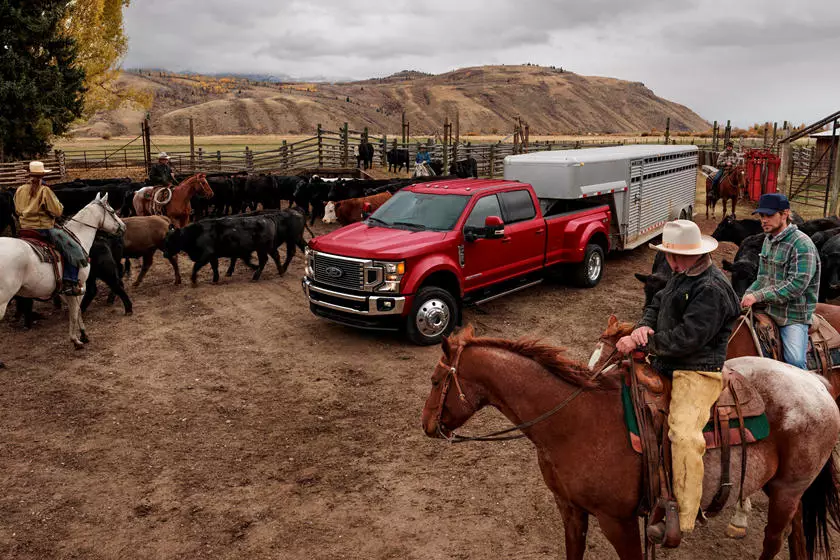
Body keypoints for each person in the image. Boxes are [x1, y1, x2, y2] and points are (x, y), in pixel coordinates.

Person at [616, 219, 740, 536]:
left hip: (696, 368)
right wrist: (643, 326)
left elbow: (689, 338)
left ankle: (683, 517)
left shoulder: (712, 288)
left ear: (696, 254)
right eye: (668, 255)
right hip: (667, 359)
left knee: (684, 436)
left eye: (676, 256)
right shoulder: (681, 272)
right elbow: (657, 302)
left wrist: (643, 342)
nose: (671, 262)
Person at [740, 193, 819, 370]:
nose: (764, 220)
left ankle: (806, 393)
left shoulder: (802, 244)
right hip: (770, 308)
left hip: (793, 315)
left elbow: (796, 285)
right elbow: (762, 278)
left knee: (794, 361)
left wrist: (758, 296)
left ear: (785, 214)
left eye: (769, 215)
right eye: (761, 216)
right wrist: (746, 295)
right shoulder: (768, 241)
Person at [13, 161, 88, 296]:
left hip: (25, 229)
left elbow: (17, 211)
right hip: (43, 229)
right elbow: (57, 211)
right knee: (73, 249)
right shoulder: (44, 190)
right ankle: (69, 282)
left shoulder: (19, 190)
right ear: (42, 175)